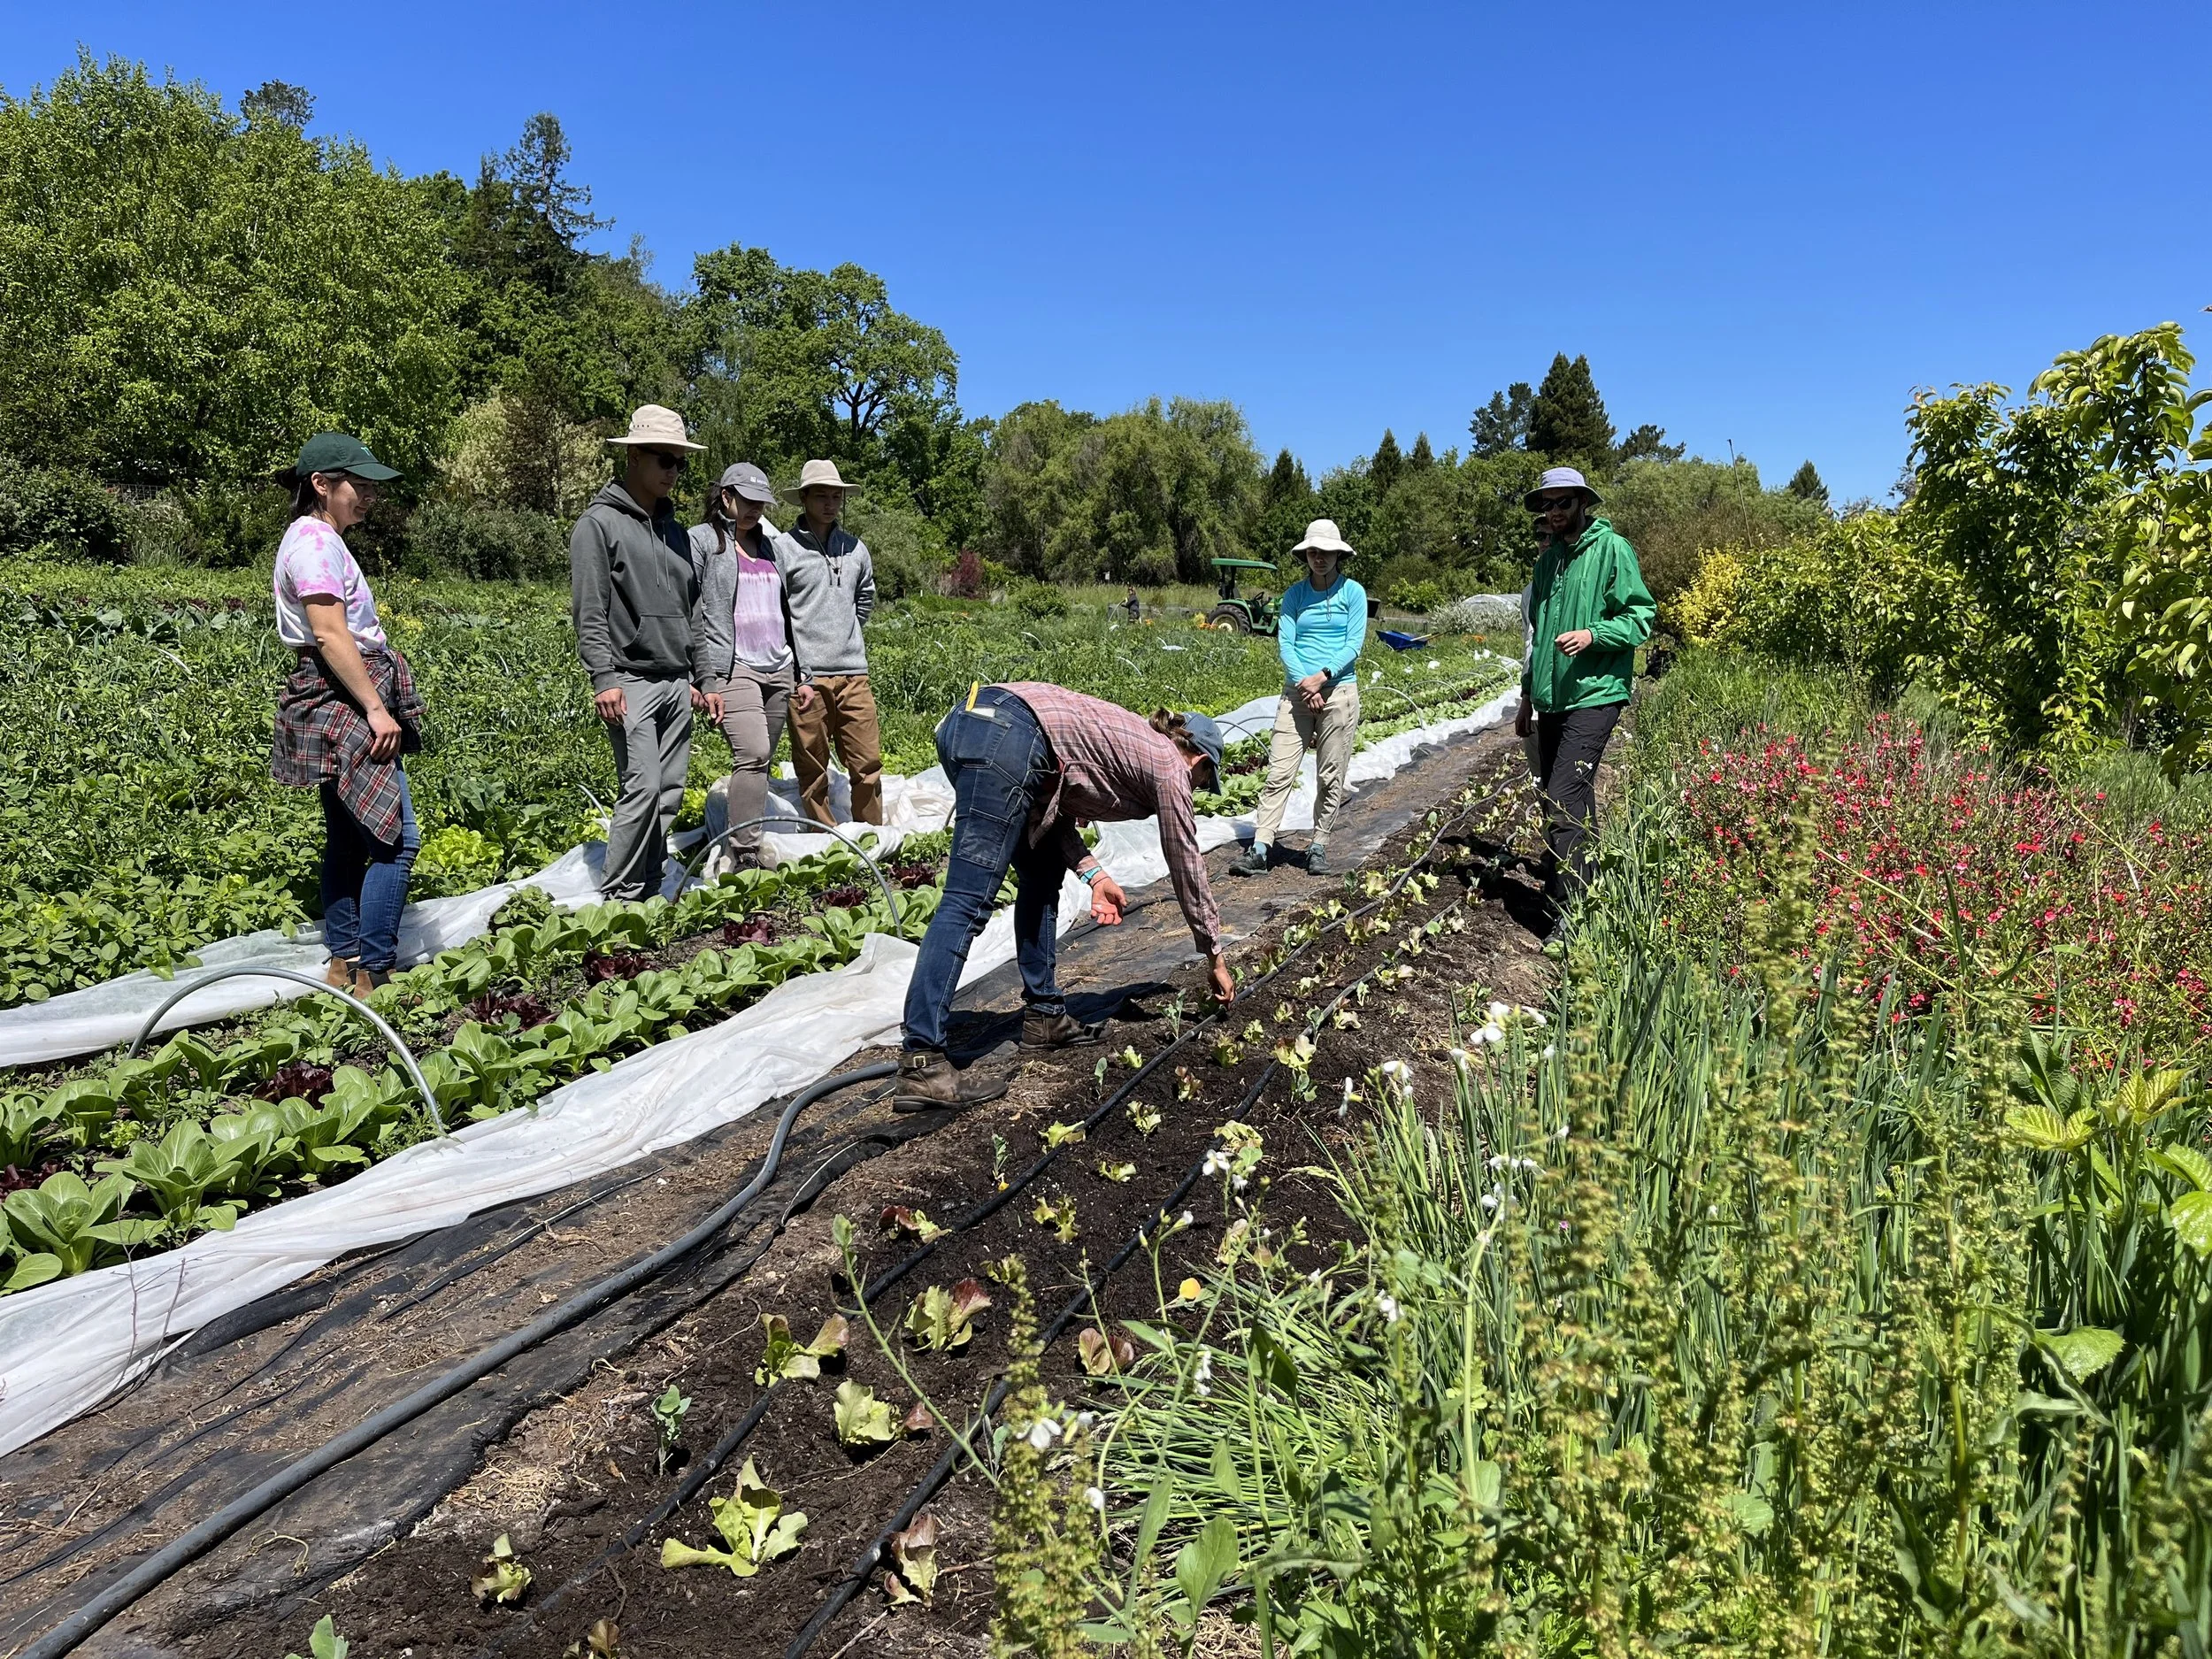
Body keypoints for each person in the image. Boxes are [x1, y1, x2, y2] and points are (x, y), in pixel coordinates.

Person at [896, 687, 1236, 1110]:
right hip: (1006, 732)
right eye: (1204, 782)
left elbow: (1044, 805)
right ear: (1199, 761)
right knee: (968, 901)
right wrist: (1214, 955)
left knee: (1040, 874)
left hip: (980, 723)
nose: (1198, 791)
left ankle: (1044, 1017)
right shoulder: (1169, 767)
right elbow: (1186, 861)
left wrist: (1094, 875)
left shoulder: (1133, 745)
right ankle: (922, 1060)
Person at [268, 433, 421, 998]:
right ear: (322, 485)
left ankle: (344, 959)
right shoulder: (314, 545)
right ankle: (374, 974)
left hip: (335, 692)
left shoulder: (314, 539)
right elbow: (332, 634)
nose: (370, 497)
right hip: (345, 694)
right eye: (359, 485)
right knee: (394, 841)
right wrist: (377, 709)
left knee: (347, 835)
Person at [571, 405, 706, 902]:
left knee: (668, 793)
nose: (672, 470)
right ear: (632, 456)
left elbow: (695, 610)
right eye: (664, 459)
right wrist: (603, 677)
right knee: (643, 786)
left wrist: (705, 678)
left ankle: (650, 887)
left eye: (680, 462)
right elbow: (589, 609)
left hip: (676, 680)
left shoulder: (676, 531)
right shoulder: (599, 524)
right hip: (629, 680)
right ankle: (622, 897)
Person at [1514, 465, 1655, 928]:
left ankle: (1569, 918)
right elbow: (1537, 638)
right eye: (1547, 505)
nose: (1554, 512)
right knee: (1567, 799)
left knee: (1563, 795)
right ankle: (1584, 896)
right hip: (1554, 698)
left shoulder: (1613, 551)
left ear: (1582, 503)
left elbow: (1641, 617)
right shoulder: (1547, 562)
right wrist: (1529, 695)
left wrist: (1594, 634)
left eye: (1563, 503)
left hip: (1596, 695)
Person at [1232, 518, 1367, 879]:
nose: (1318, 558)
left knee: (1330, 774)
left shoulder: (1353, 593)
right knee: (1279, 770)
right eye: (1312, 552)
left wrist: (1322, 677)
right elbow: (1286, 644)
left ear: (1339, 555)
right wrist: (1304, 684)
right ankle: (1260, 848)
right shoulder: (1294, 595)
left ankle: (1318, 845)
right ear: (1305, 555)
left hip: (1338, 690)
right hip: (1297, 692)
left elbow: (1354, 644)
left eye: (1325, 552)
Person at [689, 462, 800, 870]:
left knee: (764, 757)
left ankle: (744, 833)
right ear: (726, 497)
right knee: (751, 752)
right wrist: (699, 675)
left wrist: (799, 670)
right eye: (748, 501)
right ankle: (745, 851)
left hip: (778, 666)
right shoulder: (702, 542)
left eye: (761, 503)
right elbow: (690, 608)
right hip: (733, 666)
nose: (755, 509)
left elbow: (790, 609)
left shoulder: (771, 547)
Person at [778, 459, 882, 826]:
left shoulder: (855, 549)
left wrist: (848, 629)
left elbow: (865, 595)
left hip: (854, 673)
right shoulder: (783, 549)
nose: (829, 503)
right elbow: (777, 608)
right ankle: (828, 837)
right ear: (803, 499)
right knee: (812, 766)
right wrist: (795, 664)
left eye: (835, 496)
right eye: (820, 495)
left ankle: (872, 838)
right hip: (807, 677)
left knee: (867, 762)